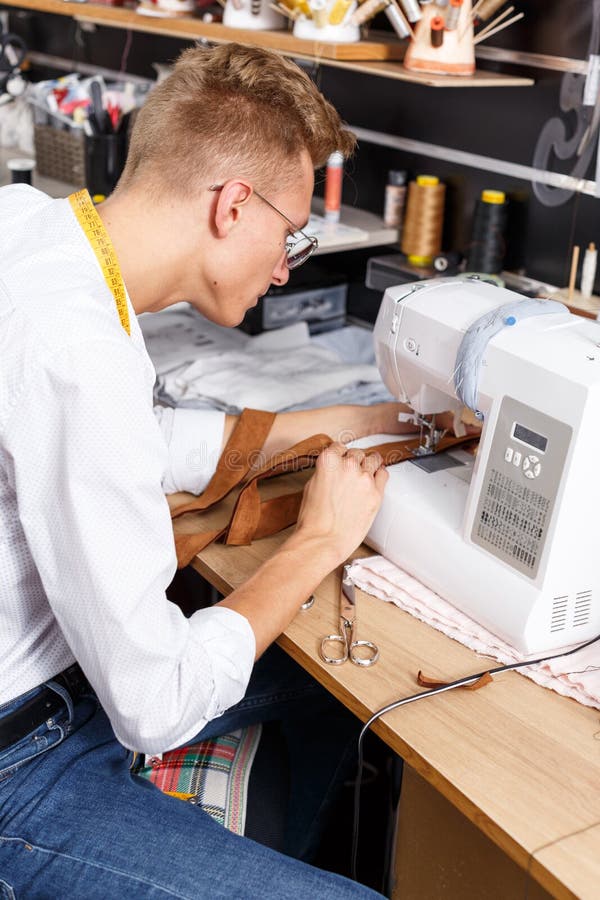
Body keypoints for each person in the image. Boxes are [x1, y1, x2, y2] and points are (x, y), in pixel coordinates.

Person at [0, 43, 425, 898]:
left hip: (56, 684)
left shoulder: (31, 227)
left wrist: (340, 421)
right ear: (233, 205)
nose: (286, 264)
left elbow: (130, 442)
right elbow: (153, 703)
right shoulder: (77, 351)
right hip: (24, 755)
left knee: (338, 701)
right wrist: (316, 543)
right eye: (291, 235)